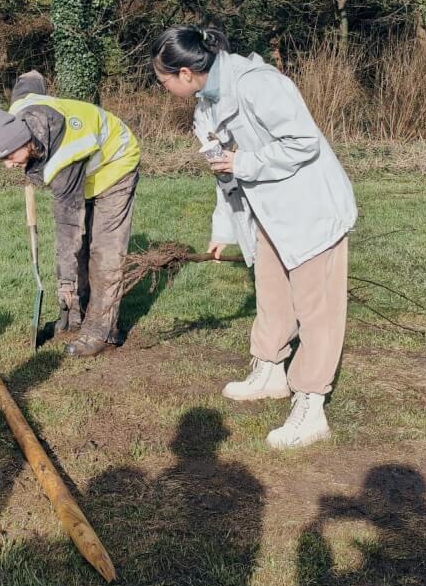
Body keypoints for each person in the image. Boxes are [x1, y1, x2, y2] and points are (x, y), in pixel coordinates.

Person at [152, 26, 357, 449]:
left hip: (310, 208)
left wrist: (245, 161)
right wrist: (223, 228)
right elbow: (222, 171)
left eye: (164, 80)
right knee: (272, 291)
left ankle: (311, 403)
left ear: (187, 73)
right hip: (269, 211)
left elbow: (303, 142)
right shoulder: (204, 108)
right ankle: (270, 371)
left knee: (317, 309)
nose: (164, 87)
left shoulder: (259, 84)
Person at [0, 70, 140, 357]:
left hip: (115, 165)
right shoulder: (19, 114)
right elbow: (30, 82)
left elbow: (68, 228)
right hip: (86, 167)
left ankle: (101, 331)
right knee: (80, 251)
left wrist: (64, 282)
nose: (8, 166)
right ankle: (73, 317)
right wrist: (32, 72)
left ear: (25, 140)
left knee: (103, 251)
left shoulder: (63, 157)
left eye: (9, 156)